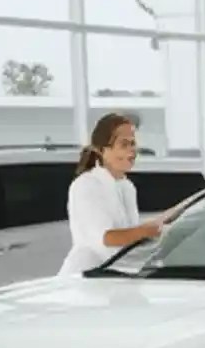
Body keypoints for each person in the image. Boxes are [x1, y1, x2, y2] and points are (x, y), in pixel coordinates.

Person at [57, 113, 164, 276]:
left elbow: (130, 238)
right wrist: (148, 230)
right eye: (124, 144)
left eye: (133, 144)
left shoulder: (127, 187)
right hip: (86, 276)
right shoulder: (87, 184)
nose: (132, 150)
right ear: (102, 150)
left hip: (116, 276)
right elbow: (106, 238)